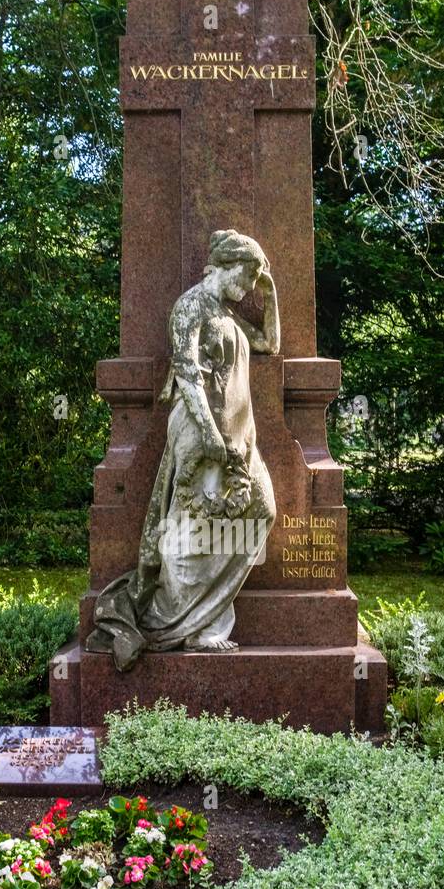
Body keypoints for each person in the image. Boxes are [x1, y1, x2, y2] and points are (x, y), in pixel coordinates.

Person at [85, 229, 279, 671]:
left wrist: (270, 292)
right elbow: (188, 374)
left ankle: (204, 614)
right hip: (200, 429)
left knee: (260, 509)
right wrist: (211, 436)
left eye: (254, 281)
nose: (249, 288)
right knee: (193, 528)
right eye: (248, 277)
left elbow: (271, 343)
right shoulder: (190, 306)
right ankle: (184, 624)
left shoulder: (228, 315)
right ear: (227, 266)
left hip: (238, 433)